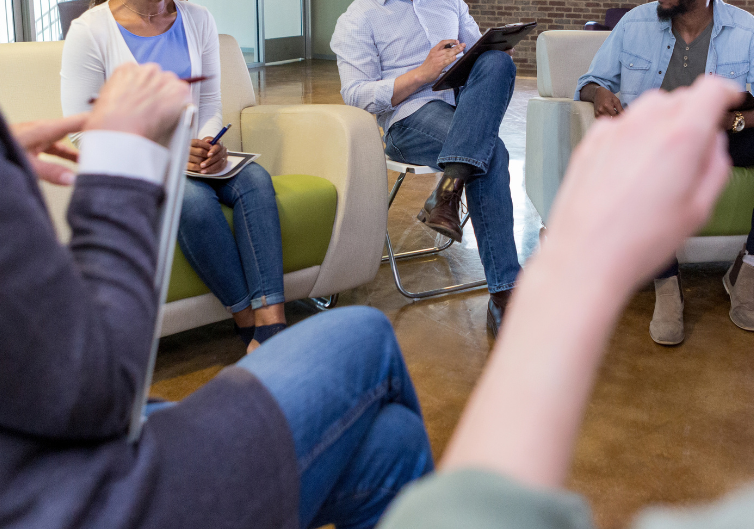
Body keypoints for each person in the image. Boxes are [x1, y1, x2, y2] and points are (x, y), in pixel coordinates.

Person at [1, 63, 433, 529]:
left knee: (393, 444)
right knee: (364, 332)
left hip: (35, 445)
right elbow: (98, 390)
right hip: (75, 496)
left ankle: (266, 323)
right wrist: (122, 157)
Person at [380, 76, 754, 529]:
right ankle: (656, 281)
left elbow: (464, 515)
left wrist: (573, 271)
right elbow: (591, 81)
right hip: (415, 119)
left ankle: (452, 193)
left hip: (730, 136)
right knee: (371, 356)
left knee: (495, 72)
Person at [61, 0, 284, 351]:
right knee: (192, 202)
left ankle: (271, 321)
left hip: (195, 155)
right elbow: (84, 131)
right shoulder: (91, 31)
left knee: (255, 180)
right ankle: (245, 321)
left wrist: (207, 140)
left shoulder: (197, 18)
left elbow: (208, 103)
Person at [575, 0, 754, 345]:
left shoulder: (746, 30)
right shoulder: (637, 22)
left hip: (719, 139)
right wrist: (596, 94)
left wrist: (737, 120)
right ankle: (666, 282)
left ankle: (749, 269)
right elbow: (593, 78)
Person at [330, 0, 520, 337]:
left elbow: (477, 52)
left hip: (460, 112)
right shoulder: (356, 19)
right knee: (495, 152)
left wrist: (487, 53)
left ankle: (448, 192)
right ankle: (506, 290)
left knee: (498, 64)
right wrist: (423, 74)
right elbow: (357, 97)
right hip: (407, 123)